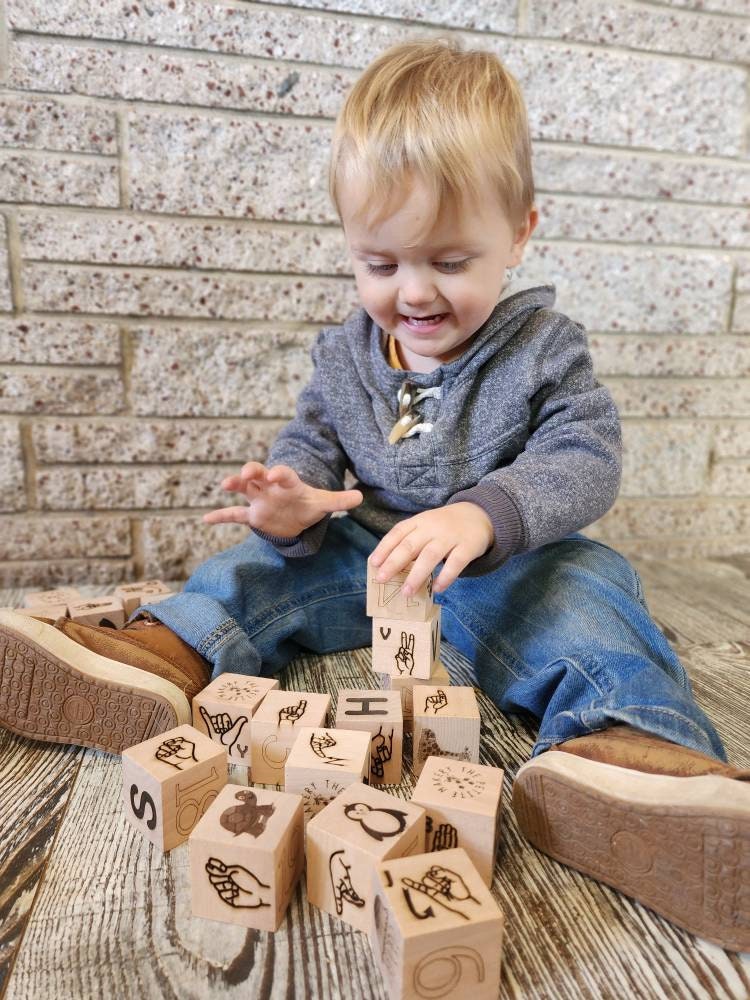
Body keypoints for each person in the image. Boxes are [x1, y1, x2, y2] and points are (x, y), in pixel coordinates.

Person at [0, 37, 747, 952]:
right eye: (381, 264)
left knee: (588, 594)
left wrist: (485, 514)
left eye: (449, 260)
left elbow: (586, 455)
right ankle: (161, 655)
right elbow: (311, 447)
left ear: (519, 234)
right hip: (371, 549)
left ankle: (637, 749)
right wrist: (292, 501)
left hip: (505, 556)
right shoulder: (344, 352)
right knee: (248, 568)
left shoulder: (544, 349)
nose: (414, 293)